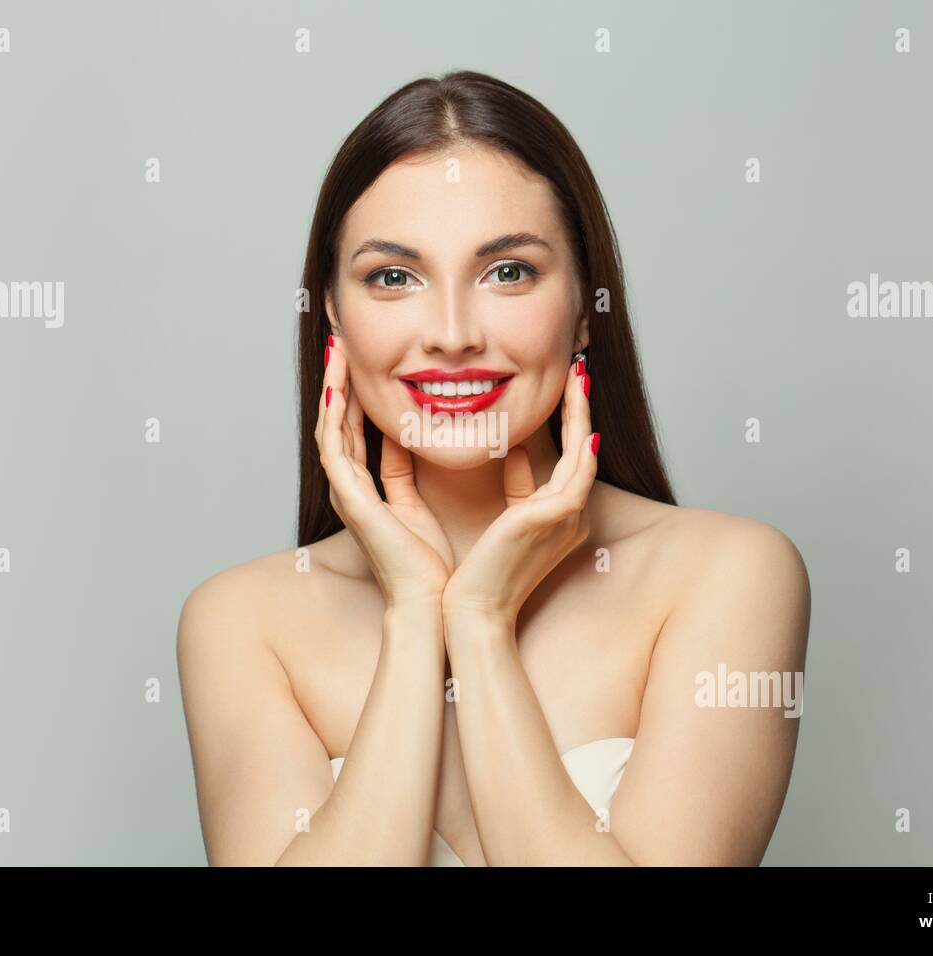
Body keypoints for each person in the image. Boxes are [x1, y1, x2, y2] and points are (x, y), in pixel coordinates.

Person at [178, 70, 810, 866]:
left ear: (585, 307)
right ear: (332, 314)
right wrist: (415, 614)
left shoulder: (729, 575)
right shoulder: (241, 622)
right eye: (393, 277)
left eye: (507, 271)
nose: (451, 333)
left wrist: (479, 628)